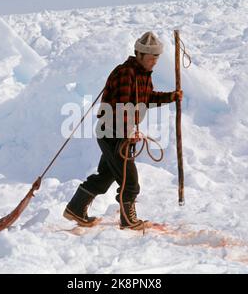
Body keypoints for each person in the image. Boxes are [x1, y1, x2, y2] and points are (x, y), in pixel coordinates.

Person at [63, 31, 183, 230]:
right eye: (152, 57)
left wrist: (171, 97)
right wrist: (128, 132)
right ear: (139, 54)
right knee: (130, 180)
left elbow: (147, 98)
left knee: (105, 177)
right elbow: (122, 105)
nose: (155, 61)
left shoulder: (143, 75)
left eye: (157, 57)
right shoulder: (126, 73)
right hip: (113, 133)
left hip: (116, 132)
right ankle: (128, 221)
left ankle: (75, 208)